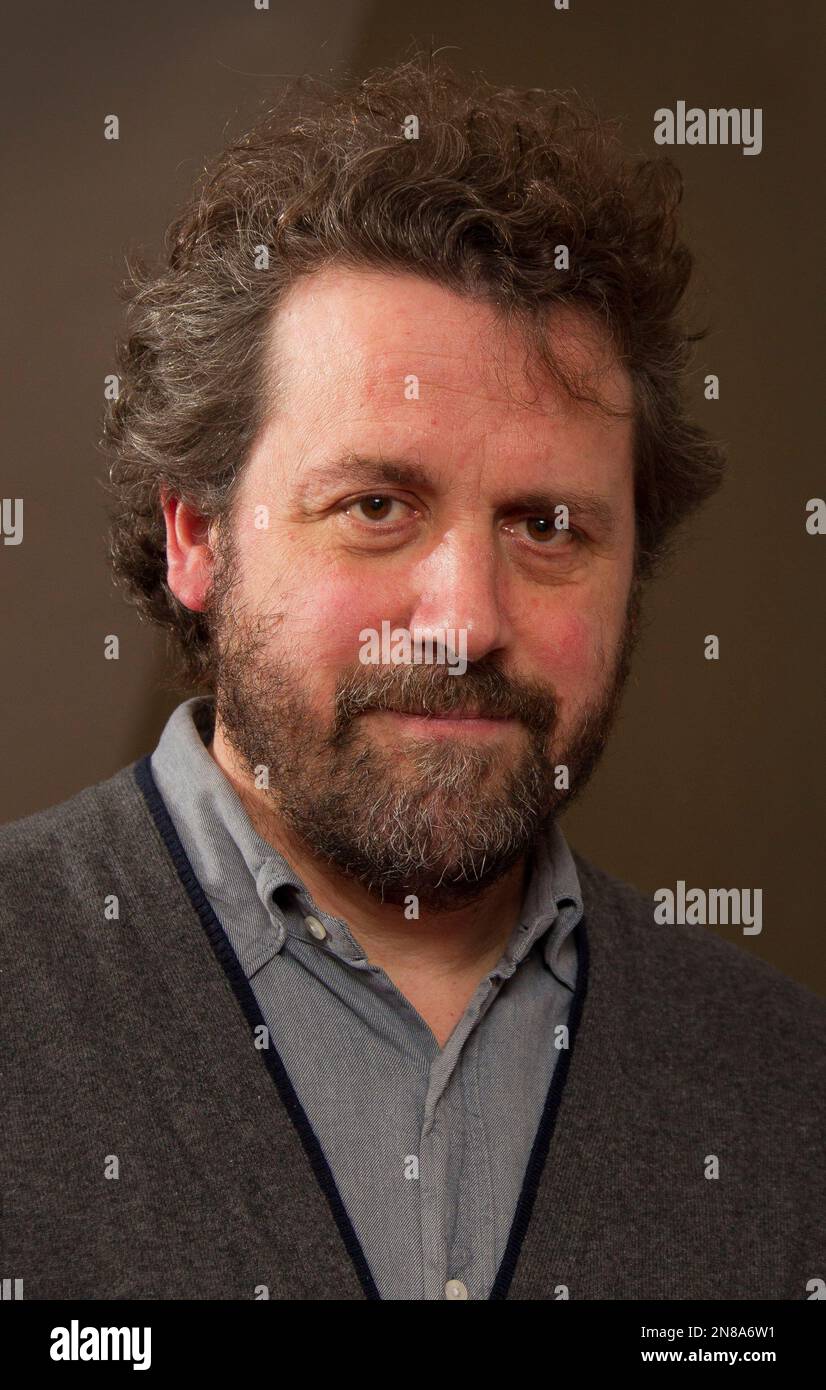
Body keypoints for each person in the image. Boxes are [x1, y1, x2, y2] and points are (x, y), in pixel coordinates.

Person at [1, 54, 822, 1302]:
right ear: (196, 538)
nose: (466, 621)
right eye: (376, 504)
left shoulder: (790, 1094)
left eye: (548, 526)